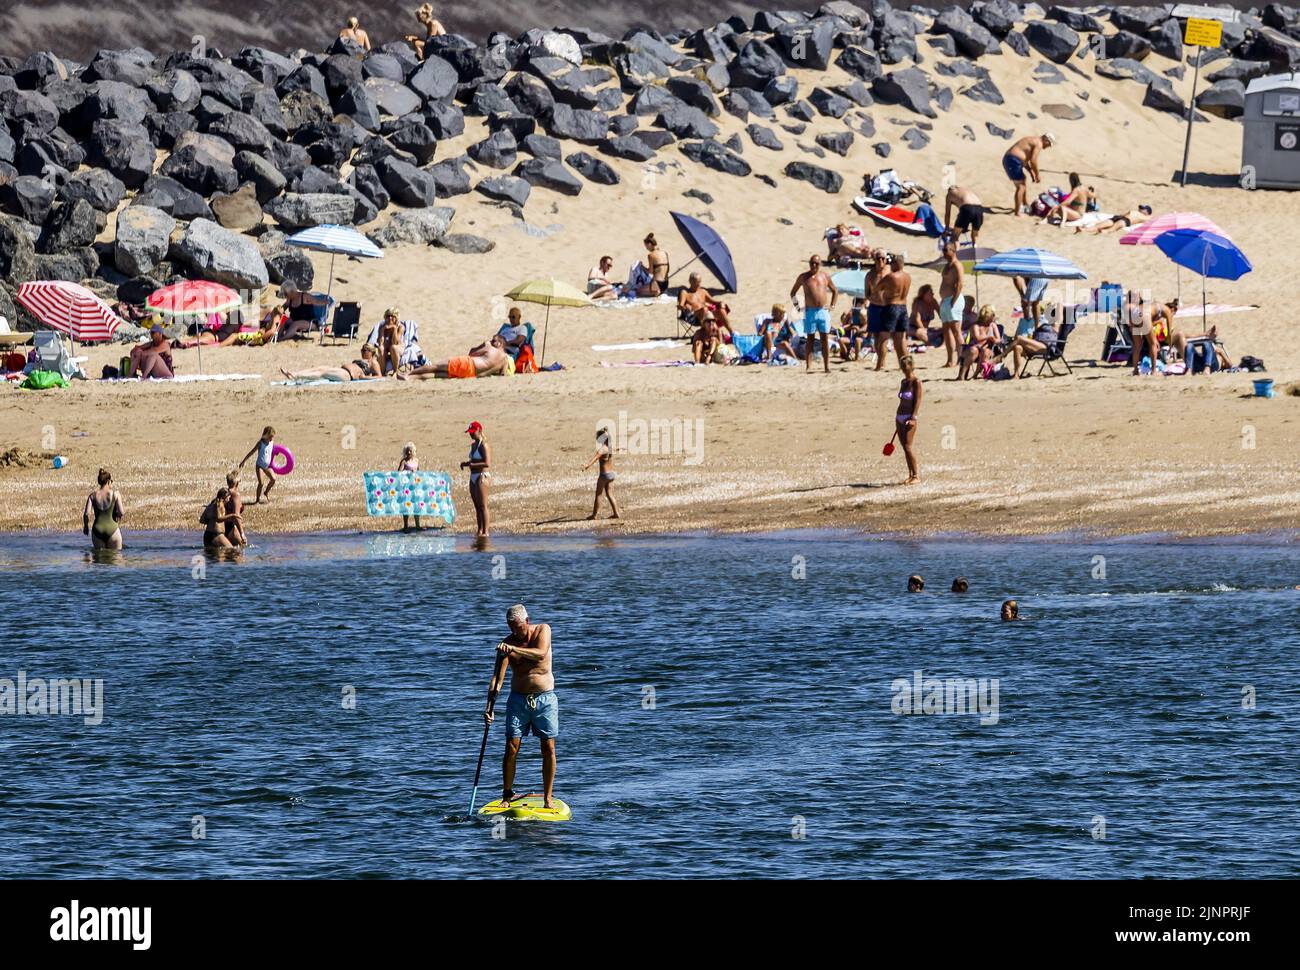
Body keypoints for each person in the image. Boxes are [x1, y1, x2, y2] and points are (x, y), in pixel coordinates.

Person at [483, 604, 558, 810]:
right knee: (511, 747)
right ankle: (507, 795)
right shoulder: (506, 645)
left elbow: (541, 654)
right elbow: (497, 679)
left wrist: (514, 649)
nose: (514, 632)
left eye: (517, 627)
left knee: (548, 747)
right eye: (510, 628)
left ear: (527, 621)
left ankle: (548, 798)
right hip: (518, 700)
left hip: (545, 699)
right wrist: (490, 706)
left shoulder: (543, 630)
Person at [790, 254, 838, 373]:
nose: (814, 265)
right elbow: (793, 293)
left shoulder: (824, 276)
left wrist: (832, 305)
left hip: (823, 311)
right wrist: (797, 306)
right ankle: (809, 366)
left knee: (824, 339)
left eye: (816, 263)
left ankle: (827, 366)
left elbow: (835, 291)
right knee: (810, 339)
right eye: (812, 263)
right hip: (810, 311)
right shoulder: (803, 277)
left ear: (820, 264)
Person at [398, 336, 511, 380]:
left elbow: (471, 353)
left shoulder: (490, 348)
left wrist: (483, 345)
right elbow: (503, 375)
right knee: (435, 375)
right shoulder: (505, 359)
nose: (491, 341)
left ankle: (408, 374)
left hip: (467, 363)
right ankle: (411, 378)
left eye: (494, 340)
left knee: (435, 367)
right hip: (471, 374)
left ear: (500, 343)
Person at [874, 252, 911, 371]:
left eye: (891, 263)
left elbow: (877, 288)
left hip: (892, 307)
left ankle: (879, 365)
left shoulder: (891, 276)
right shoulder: (907, 277)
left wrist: (884, 294)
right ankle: (906, 365)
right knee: (900, 340)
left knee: (883, 337)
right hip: (903, 308)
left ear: (896, 264)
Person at [1002, 132, 1054, 217]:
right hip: (1012, 161)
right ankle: (1017, 212)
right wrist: (1037, 175)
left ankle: (1025, 205)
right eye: (1049, 144)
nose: (1047, 147)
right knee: (1021, 187)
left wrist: (1031, 172)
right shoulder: (1039, 143)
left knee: (1023, 180)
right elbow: (1033, 161)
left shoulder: (1033, 139)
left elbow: (1025, 159)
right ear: (1046, 140)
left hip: (1011, 160)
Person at [280, 342, 385, 383]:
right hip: (343, 371)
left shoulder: (373, 362)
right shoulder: (364, 360)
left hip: (348, 375)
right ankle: (295, 373)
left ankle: (296, 376)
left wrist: (364, 378)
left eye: (364, 350)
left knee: (322, 372)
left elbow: (379, 376)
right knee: (320, 367)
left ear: (371, 352)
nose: (362, 352)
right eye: (361, 350)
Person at [894, 355, 921, 484]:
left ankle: (916, 475)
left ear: (911, 366)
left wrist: (913, 418)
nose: (904, 369)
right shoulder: (903, 382)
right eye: (902, 366)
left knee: (908, 447)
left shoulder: (916, 382)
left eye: (906, 366)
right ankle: (910, 474)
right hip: (899, 417)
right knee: (904, 448)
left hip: (909, 418)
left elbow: (918, 400)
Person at [938, 239, 964, 367]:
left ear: (953, 251)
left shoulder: (956, 265)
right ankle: (949, 360)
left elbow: (960, 283)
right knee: (946, 331)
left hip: (954, 300)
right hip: (946, 301)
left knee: (956, 331)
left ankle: (961, 358)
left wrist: (954, 300)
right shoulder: (947, 265)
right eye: (943, 250)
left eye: (945, 250)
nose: (943, 253)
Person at [462, 421, 491, 537]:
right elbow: (473, 461)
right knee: (476, 506)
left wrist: (473, 465)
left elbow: (487, 463)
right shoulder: (473, 445)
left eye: (473, 432)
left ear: (479, 431)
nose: (471, 435)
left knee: (483, 506)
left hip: (482, 476)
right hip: (473, 477)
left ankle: (486, 531)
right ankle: (479, 530)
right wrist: (466, 464)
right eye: (469, 432)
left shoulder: (484, 445)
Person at [83, 468, 124, 550]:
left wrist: (86, 526)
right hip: (113, 531)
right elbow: (121, 512)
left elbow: (87, 514)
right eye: (111, 481)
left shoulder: (92, 496)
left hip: (97, 531)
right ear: (108, 481)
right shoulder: (115, 494)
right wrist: (117, 515)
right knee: (116, 557)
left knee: (98, 558)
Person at [583, 429, 620, 520]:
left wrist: (587, 465)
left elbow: (595, 458)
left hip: (604, 475)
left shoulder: (602, 449)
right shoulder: (610, 447)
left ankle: (594, 515)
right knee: (610, 494)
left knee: (598, 494)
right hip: (611, 474)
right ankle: (616, 513)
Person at [958, 305, 1001, 380]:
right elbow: (977, 338)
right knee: (974, 350)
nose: (992, 319)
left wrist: (994, 340)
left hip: (988, 349)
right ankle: (962, 375)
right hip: (974, 348)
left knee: (985, 351)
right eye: (991, 317)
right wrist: (988, 337)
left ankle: (975, 375)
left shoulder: (993, 325)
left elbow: (999, 339)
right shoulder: (976, 326)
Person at [239, 426, 279, 505]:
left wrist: (276, 452)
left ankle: (266, 492)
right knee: (261, 483)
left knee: (273, 479)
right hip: (260, 466)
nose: (271, 439)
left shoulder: (271, 442)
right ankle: (257, 500)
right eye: (270, 437)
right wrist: (243, 461)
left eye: (272, 437)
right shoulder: (260, 443)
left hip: (267, 466)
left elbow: (271, 451)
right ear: (265, 435)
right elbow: (251, 452)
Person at [1126, 291, 1160, 375]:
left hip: (1134, 323)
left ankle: (1135, 370)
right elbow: (1144, 317)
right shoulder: (1137, 306)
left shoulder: (1126, 306)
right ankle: (1153, 371)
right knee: (1152, 344)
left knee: (1137, 346)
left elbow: (1129, 323)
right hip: (1141, 317)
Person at [1073, 204, 1153, 235]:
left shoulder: (1146, 217)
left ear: (1147, 212)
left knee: (1110, 229)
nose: (1140, 208)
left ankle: (1102, 231)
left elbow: (1152, 218)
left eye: (1143, 208)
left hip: (1126, 221)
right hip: (1118, 217)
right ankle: (1083, 230)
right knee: (1098, 225)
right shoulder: (1137, 212)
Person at [398, 442, 422, 533]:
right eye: (407, 451)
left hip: (415, 486)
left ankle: (418, 525)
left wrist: (416, 472)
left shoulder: (416, 461)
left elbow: (419, 473)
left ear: (413, 451)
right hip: (406, 487)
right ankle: (405, 526)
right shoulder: (404, 461)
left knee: (416, 505)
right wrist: (408, 472)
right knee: (406, 505)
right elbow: (399, 472)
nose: (409, 453)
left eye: (410, 451)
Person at [376, 308, 405, 376]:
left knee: (393, 347)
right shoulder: (382, 327)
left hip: (398, 348)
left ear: (396, 318)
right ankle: (382, 372)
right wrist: (383, 330)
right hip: (387, 349)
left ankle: (395, 371)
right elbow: (380, 343)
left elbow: (395, 342)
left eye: (392, 316)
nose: (390, 318)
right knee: (380, 348)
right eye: (388, 316)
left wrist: (394, 328)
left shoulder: (401, 327)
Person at [224, 471, 248, 547]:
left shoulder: (225, 493)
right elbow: (236, 515)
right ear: (237, 483)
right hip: (231, 528)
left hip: (222, 527)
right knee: (241, 551)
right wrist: (242, 533)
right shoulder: (235, 495)